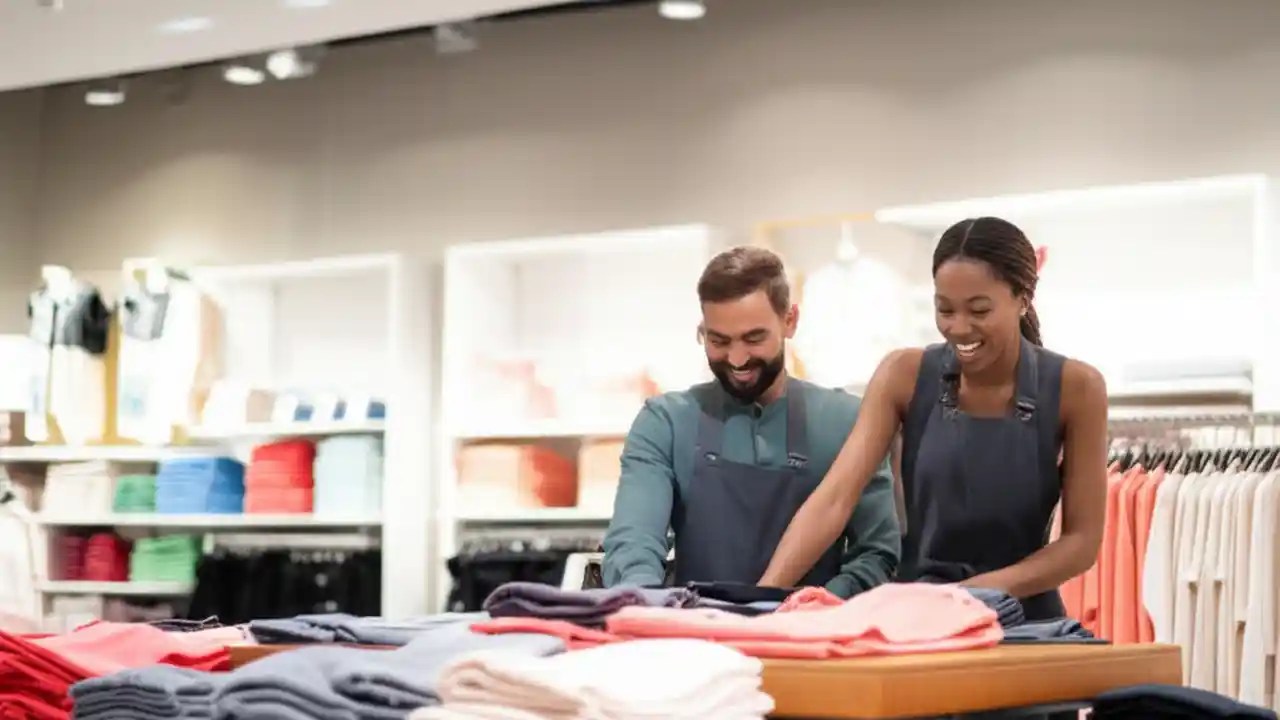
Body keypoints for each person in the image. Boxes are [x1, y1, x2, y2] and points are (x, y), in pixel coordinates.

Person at [757, 217, 1108, 621]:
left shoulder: (1077, 388)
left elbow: (1081, 542)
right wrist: (762, 600)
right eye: (945, 309)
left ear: (1023, 298)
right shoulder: (902, 375)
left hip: (1028, 623)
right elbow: (834, 499)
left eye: (979, 310)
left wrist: (977, 592)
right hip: (922, 621)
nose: (958, 328)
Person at [602, 246, 900, 597]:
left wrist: (818, 606)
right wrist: (647, 606)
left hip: (811, 637)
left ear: (790, 321)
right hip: (700, 637)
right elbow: (633, 543)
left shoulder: (847, 422)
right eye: (718, 341)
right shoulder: (664, 423)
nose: (737, 359)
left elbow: (878, 553)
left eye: (754, 338)